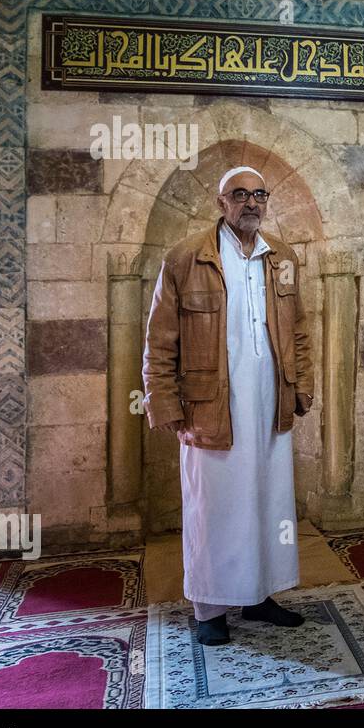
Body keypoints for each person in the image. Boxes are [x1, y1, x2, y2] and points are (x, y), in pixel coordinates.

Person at [143, 165, 314, 645]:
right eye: (240, 195)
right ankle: (209, 608)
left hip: (269, 404)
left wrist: (302, 387)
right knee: (213, 506)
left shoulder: (281, 256)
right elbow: (159, 342)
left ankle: (258, 595)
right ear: (221, 203)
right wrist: (166, 405)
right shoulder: (185, 259)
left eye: (259, 194)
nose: (252, 203)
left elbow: (298, 330)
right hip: (209, 409)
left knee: (266, 500)